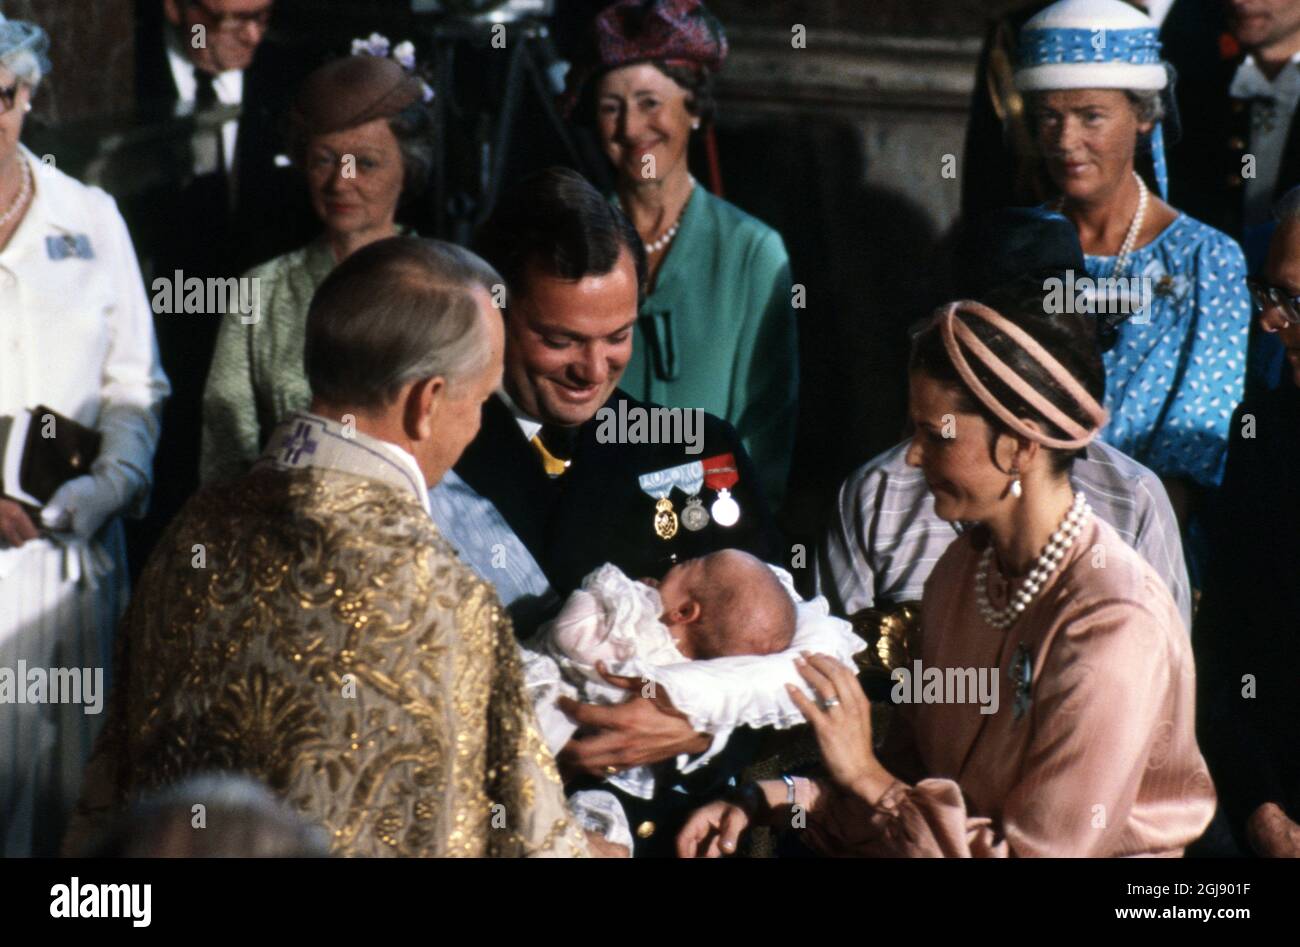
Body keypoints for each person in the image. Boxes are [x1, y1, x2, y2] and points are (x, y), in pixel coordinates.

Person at [65, 237, 598, 858]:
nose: (477, 425)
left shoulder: (188, 538)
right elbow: (531, 841)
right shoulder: (446, 599)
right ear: (426, 403)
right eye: (479, 401)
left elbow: (110, 794)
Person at [679, 291, 1215, 858]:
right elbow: (911, 791)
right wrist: (777, 798)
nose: (912, 457)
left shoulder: (1114, 625)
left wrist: (865, 777)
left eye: (936, 435)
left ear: (1019, 445)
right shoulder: (963, 573)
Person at [429, 165, 780, 854]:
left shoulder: (697, 448)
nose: (593, 369)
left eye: (618, 335)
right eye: (560, 339)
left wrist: (701, 720)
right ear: (492, 311)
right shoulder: (433, 458)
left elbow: (787, 651)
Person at [818, 208, 1192, 629]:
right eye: (1008, 344)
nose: (1032, 365)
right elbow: (842, 660)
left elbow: (1161, 672)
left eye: (1058, 332)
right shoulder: (878, 496)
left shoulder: (1132, 499)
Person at [0, 14, 170, 857]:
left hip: (76, 565)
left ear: (25, 96)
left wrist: (109, 484)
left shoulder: (90, 216)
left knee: (79, 814)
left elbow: (136, 386)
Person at [1014, 0, 1251, 527]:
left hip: (1148, 528)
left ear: (1144, 115)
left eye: (1090, 116)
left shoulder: (1205, 260)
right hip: (1015, 520)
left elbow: (1196, 436)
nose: (1065, 141)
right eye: (1049, 116)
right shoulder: (1015, 247)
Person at [561, 0, 799, 510]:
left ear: (693, 109)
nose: (630, 128)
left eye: (650, 103)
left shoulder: (753, 252)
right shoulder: (568, 243)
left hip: (716, 523)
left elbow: (767, 423)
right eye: (610, 108)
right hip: (588, 516)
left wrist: (738, 534)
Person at [201, 46, 435, 484]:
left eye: (365, 163)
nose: (340, 182)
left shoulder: (451, 291)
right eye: (324, 160)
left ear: (410, 168)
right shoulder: (262, 291)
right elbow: (226, 452)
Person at [521, 554, 862, 819]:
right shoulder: (682, 669)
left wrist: (608, 599)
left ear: (684, 611)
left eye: (688, 564)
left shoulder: (651, 651)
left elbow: (571, 633)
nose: (679, 562)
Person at [1196, 186, 1300, 856]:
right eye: (1270, 292)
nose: (1268, 320)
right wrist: (1260, 805)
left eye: (1294, 299)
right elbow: (1221, 643)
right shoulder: (1261, 433)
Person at [963, 0, 1224, 218]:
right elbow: (987, 179)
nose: (1066, 141)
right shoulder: (1023, 29)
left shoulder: (1232, 16)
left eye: (1091, 116)